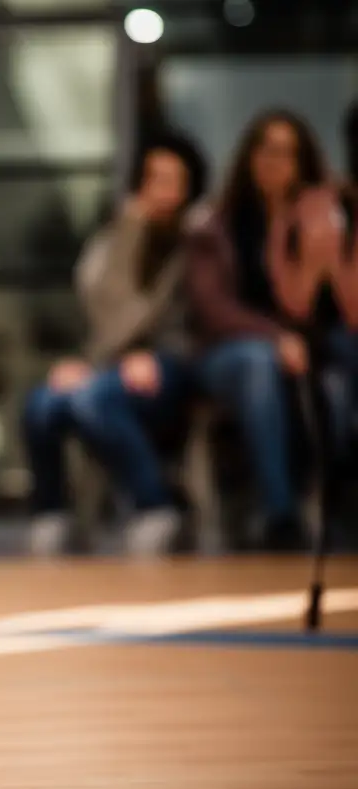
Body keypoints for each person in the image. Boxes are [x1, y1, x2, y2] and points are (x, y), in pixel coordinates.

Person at [24, 132, 208, 556]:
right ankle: (53, 515)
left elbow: (172, 319)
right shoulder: (115, 237)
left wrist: (145, 355)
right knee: (43, 404)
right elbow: (104, 309)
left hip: (173, 363)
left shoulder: (196, 243)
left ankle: (156, 506)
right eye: (152, 179)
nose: (160, 192)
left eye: (171, 181)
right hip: (110, 360)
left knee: (92, 400)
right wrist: (87, 360)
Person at [185, 110, 356, 550]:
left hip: (313, 345)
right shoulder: (216, 223)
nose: (275, 162)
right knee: (259, 364)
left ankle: (336, 506)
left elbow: (324, 306)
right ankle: (280, 514)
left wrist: (326, 259)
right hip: (235, 348)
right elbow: (214, 307)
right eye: (267, 150)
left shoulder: (326, 218)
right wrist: (277, 337)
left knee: (339, 379)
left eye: (288, 153)